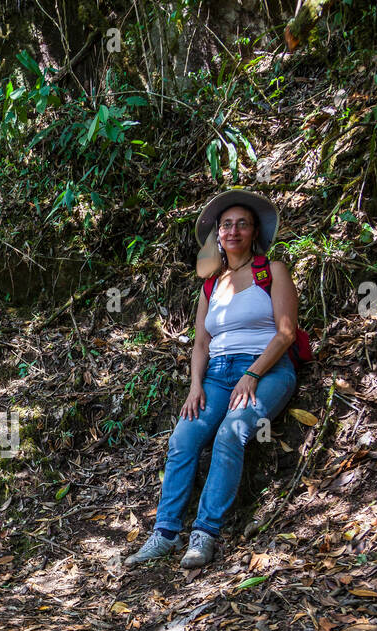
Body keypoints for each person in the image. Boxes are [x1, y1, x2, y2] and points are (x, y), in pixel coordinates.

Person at [127, 189, 300, 569]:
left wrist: (253, 374)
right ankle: (165, 534)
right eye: (226, 225)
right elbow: (201, 342)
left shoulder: (271, 272)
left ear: (254, 232)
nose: (233, 231)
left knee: (231, 432)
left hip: (268, 369)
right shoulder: (211, 285)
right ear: (217, 235)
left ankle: (205, 533)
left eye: (242, 224)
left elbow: (286, 332)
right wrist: (195, 386)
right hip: (217, 376)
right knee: (183, 438)